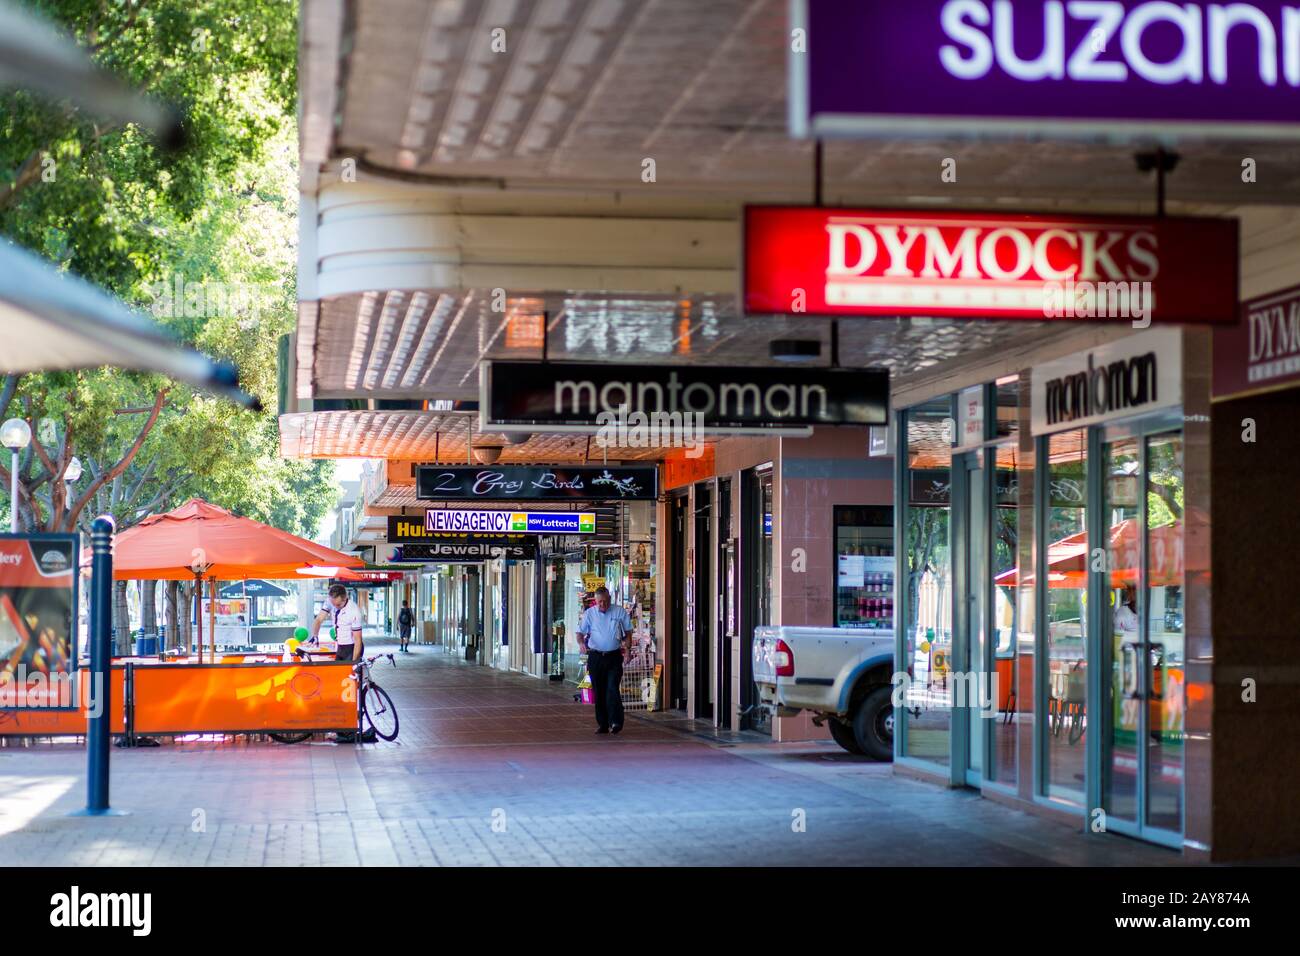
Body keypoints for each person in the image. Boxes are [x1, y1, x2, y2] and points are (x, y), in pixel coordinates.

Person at [311, 584, 365, 742]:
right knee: (336, 687)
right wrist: (315, 636)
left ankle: (349, 727)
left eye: (339, 605)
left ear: (345, 598)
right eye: (334, 604)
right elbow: (319, 619)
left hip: (352, 649)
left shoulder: (354, 611)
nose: (336, 607)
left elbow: (358, 640)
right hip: (340, 648)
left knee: (348, 690)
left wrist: (354, 663)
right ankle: (340, 725)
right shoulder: (330, 602)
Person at [576, 586, 633, 735]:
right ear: (595, 601)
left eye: (606, 601)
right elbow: (580, 632)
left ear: (610, 599)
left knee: (612, 688)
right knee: (599, 690)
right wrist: (581, 643)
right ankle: (602, 724)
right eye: (600, 602)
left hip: (613, 656)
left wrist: (627, 651)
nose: (604, 605)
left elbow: (628, 633)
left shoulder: (619, 611)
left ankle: (616, 722)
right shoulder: (589, 614)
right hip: (595, 656)